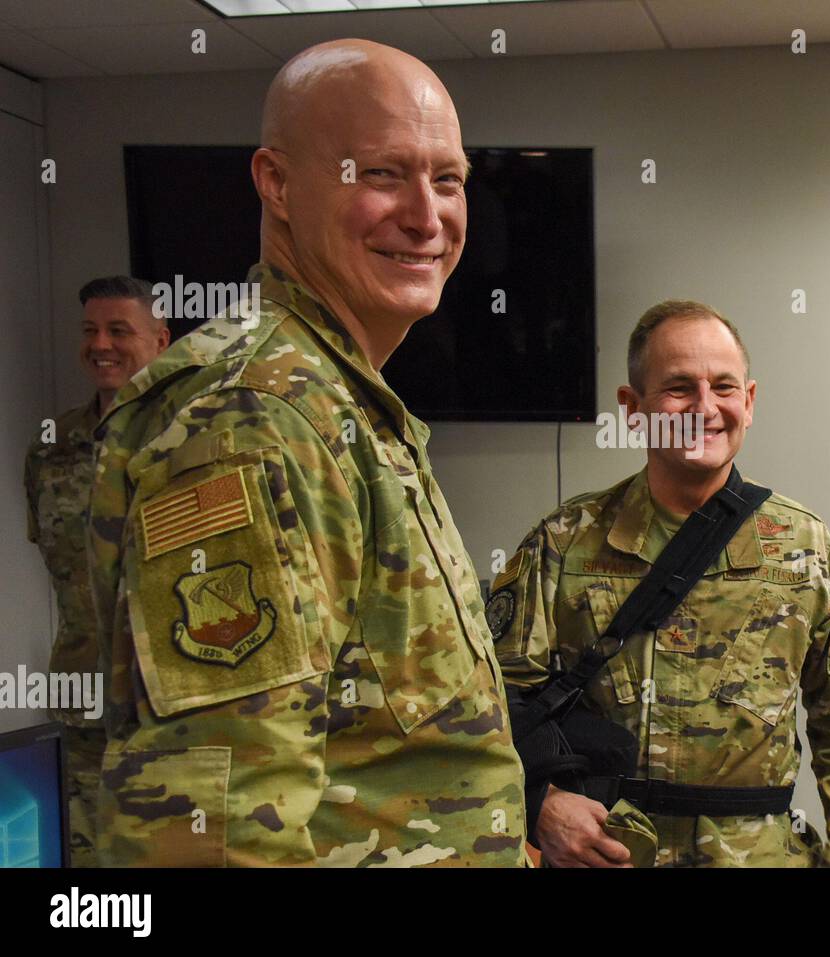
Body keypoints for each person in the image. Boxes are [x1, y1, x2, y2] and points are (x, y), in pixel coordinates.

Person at [87, 40, 527, 867]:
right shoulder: (253, 417)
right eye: (385, 174)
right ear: (277, 183)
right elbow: (212, 830)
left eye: (448, 179)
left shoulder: (335, 397)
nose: (429, 217)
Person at [488, 299, 830, 867]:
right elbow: (494, 702)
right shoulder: (565, 543)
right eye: (679, 387)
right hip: (610, 854)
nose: (705, 408)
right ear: (633, 407)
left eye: (724, 387)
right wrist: (542, 804)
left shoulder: (806, 549)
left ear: (749, 403)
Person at [23, 275, 169, 867]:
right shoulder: (51, 448)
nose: (101, 344)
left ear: (160, 339)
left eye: (118, 330)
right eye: (90, 331)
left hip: (169, 705)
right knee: (83, 867)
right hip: (83, 701)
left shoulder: (194, 437)